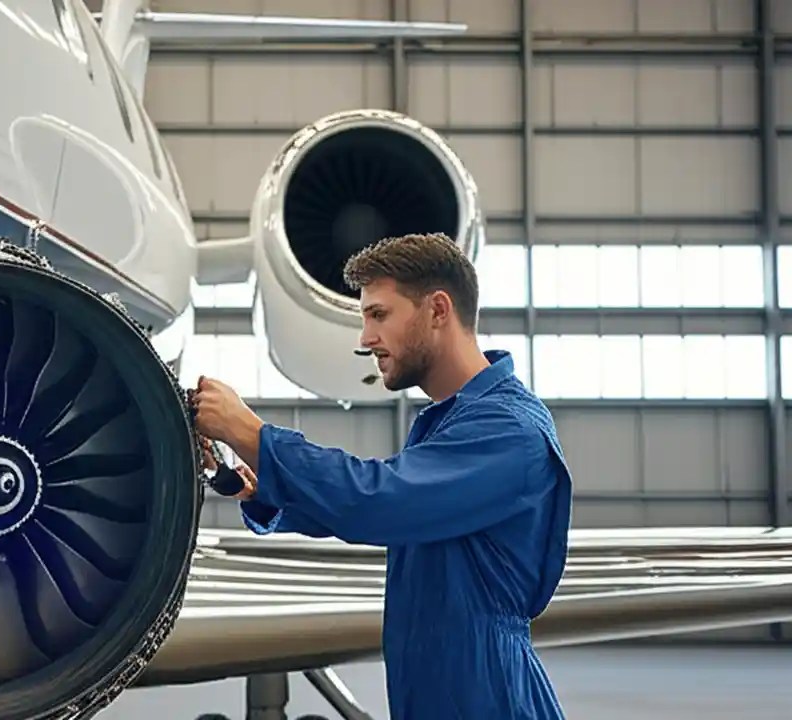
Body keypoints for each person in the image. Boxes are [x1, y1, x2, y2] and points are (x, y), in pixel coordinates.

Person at [191, 232, 572, 719]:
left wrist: (253, 434)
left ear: (437, 310)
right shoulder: (451, 421)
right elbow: (390, 509)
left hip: (487, 696)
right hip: (444, 688)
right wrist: (262, 484)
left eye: (379, 315)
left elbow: (379, 500)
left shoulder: (506, 429)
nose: (365, 339)